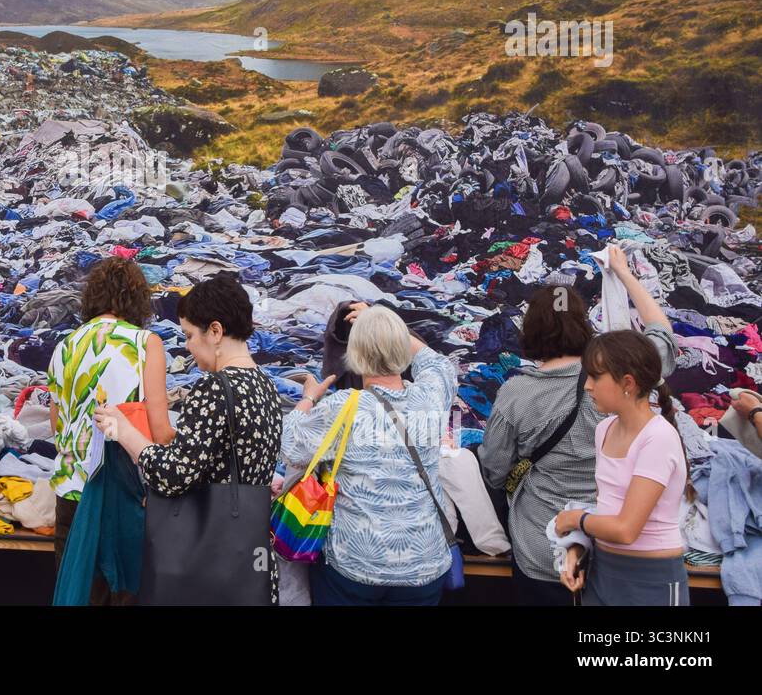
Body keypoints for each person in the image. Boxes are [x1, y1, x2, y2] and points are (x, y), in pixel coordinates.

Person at [480, 244, 678, 605]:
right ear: (584, 323)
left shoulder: (517, 392)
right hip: (612, 551)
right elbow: (662, 337)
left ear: (531, 329)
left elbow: (493, 470)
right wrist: (625, 275)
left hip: (544, 547)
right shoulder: (620, 375)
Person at [96, 273, 282, 604]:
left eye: (189, 335)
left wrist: (124, 430)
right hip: (250, 560)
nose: (187, 345)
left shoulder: (213, 388)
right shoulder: (265, 387)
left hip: (208, 563)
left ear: (215, 331)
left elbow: (172, 476)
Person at [282, 303, 457, 606]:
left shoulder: (343, 408)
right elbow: (437, 362)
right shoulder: (430, 397)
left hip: (355, 565)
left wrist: (310, 397)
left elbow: (290, 443)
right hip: (425, 563)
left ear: (355, 356)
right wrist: (385, 322)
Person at [47, 257, 171, 603]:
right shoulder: (145, 344)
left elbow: (58, 425)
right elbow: (160, 432)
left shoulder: (64, 347)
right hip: (123, 497)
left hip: (72, 495)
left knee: (77, 595)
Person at [554, 327, 693, 606]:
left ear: (627, 382)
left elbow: (626, 529)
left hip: (651, 582)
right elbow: (607, 510)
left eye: (595, 377)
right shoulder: (604, 429)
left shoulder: (658, 438)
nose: (587, 386)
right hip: (603, 573)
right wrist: (576, 548)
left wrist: (575, 519)